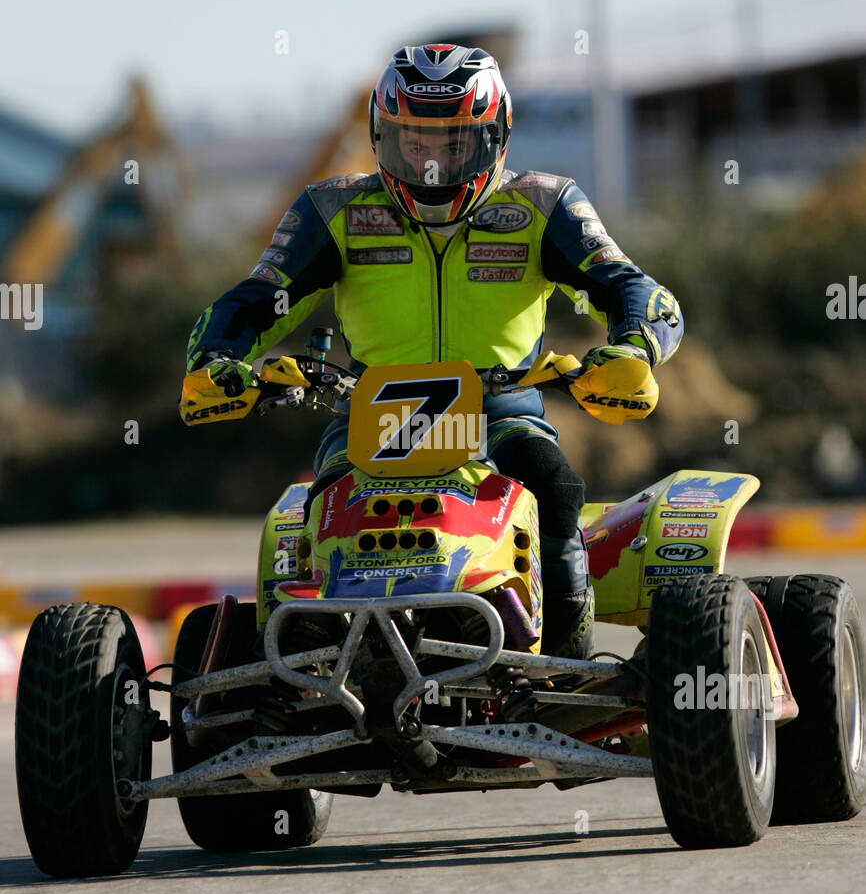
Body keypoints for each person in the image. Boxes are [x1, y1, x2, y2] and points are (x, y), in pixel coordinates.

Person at [183, 43, 683, 657]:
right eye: (412, 143)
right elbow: (259, 296)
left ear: (495, 137)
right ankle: (306, 662)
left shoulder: (544, 204)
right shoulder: (333, 208)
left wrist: (633, 350)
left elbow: (633, 288)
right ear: (380, 135)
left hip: (501, 409)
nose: (430, 165)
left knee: (555, 492)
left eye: (454, 144)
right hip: (368, 414)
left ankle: (561, 671)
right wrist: (214, 361)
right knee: (320, 514)